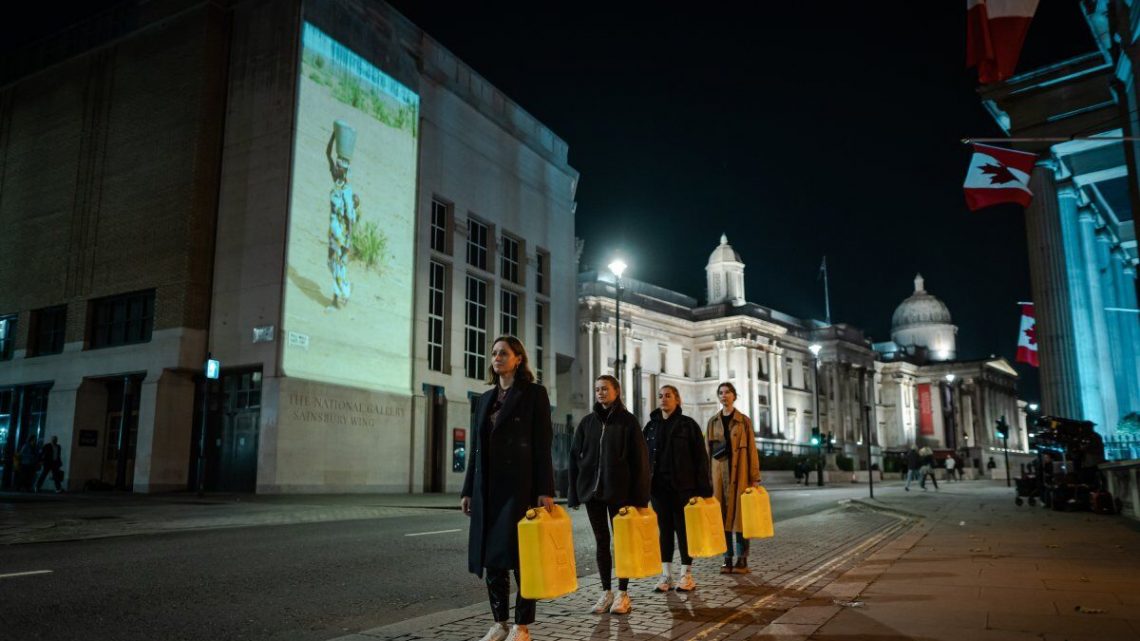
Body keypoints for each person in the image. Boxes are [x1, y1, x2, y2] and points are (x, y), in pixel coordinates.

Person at [461, 336, 555, 641]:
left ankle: (521, 624)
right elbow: (477, 448)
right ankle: (499, 622)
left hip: (520, 488)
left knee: (522, 557)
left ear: (518, 359)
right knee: (493, 559)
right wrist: (467, 490)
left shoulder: (534, 395)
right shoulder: (485, 399)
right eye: (494, 353)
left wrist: (545, 489)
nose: (497, 357)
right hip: (487, 490)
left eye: (504, 353)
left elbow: (543, 444)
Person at [568, 374, 649, 615]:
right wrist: (574, 493)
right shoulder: (587, 423)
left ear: (617, 391)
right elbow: (575, 458)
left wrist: (640, 499)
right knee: (602, 542)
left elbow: (641, 462)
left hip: (620, 494)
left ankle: (623, 594)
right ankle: (606, 592)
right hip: (593, 494)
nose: (600, 393)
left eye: (605, 389)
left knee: (622, 543)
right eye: (597, 389)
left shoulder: (628, 422)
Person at [643, 385, 711, 593]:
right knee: (664, 531)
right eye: (660, 396)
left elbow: (700, 459)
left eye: (668, 396)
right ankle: (666, 576)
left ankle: (686, 575)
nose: (663, 399)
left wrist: (703, 490)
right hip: (658, 487)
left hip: (683, 487)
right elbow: (643, 459)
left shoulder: (688, 425)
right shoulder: (651, 427)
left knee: (683, 531)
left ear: (677, 399)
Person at [706, 382, 761, 574]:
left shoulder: (743, 421)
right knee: (722, 519)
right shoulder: (713, 422)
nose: (724, 396)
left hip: (740, 476)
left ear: (734, 396)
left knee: (740, 520)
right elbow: (708, 452)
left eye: (727, 392)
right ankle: (727, 558)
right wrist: (708, 480)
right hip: (719, 476)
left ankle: (742, 559)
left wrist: (754, 478)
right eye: (720, 393)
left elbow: (752, 450)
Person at [325, 122, 360, 310]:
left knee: (338, 265)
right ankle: (345, 291)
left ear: (344, 171)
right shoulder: (336, 183)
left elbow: (349, 218)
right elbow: (328, 154)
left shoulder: (347, 191)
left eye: (339, 167)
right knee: (331, 263)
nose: (336, 168)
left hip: (341, 233)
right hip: (333, 230)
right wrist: (335, 136)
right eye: (336, 166)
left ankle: (336, 299)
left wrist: (349, 240)